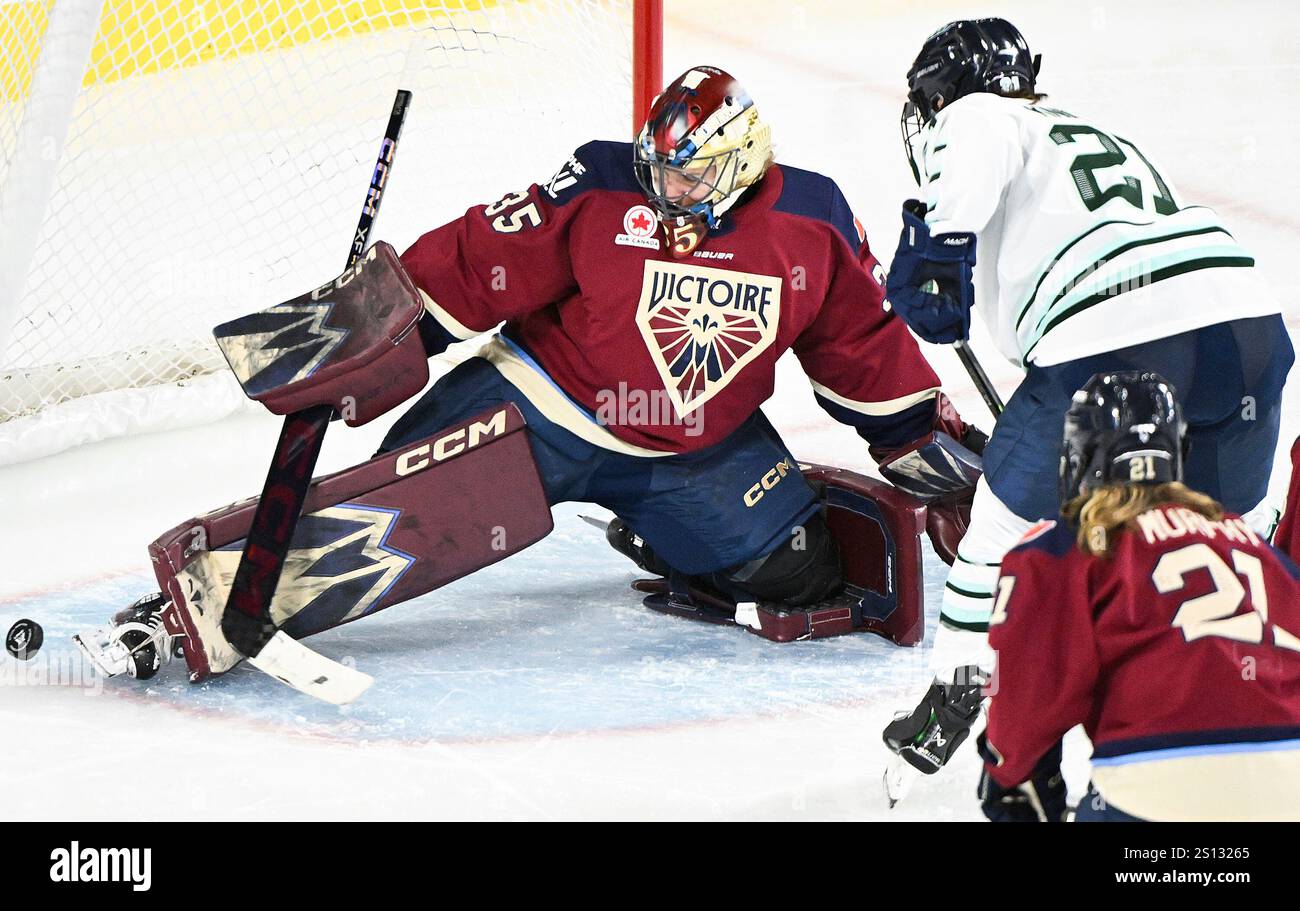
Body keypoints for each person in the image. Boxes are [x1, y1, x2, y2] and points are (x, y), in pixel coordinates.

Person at [379, 64, 984, 609]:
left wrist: (921, 443)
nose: (668, 191)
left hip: (694, 452)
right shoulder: (602, 182)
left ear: (743, 160)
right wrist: (377, 335)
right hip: (542, 404)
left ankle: (655, 534)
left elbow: (860, 345)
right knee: (388, 515)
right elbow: (484, 259)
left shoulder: (813, 219)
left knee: (798, 572)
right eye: (661, 170)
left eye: (689, 177)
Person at [880, 18, 1294, 774]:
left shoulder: (975, 115)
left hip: (1120, 338)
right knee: (1225, 536)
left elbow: (966, 163)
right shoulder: (1083, 127)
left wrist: (937, 248)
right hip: (1249, 322)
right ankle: (1254, 689)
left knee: (995, 535)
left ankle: (951, 706)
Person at [977, 371, 1300, 822]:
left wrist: (1008, 771)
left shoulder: (1068, 545)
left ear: (1078, 456)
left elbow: (1029, 698)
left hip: (1160, 777)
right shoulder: (1253, 546)